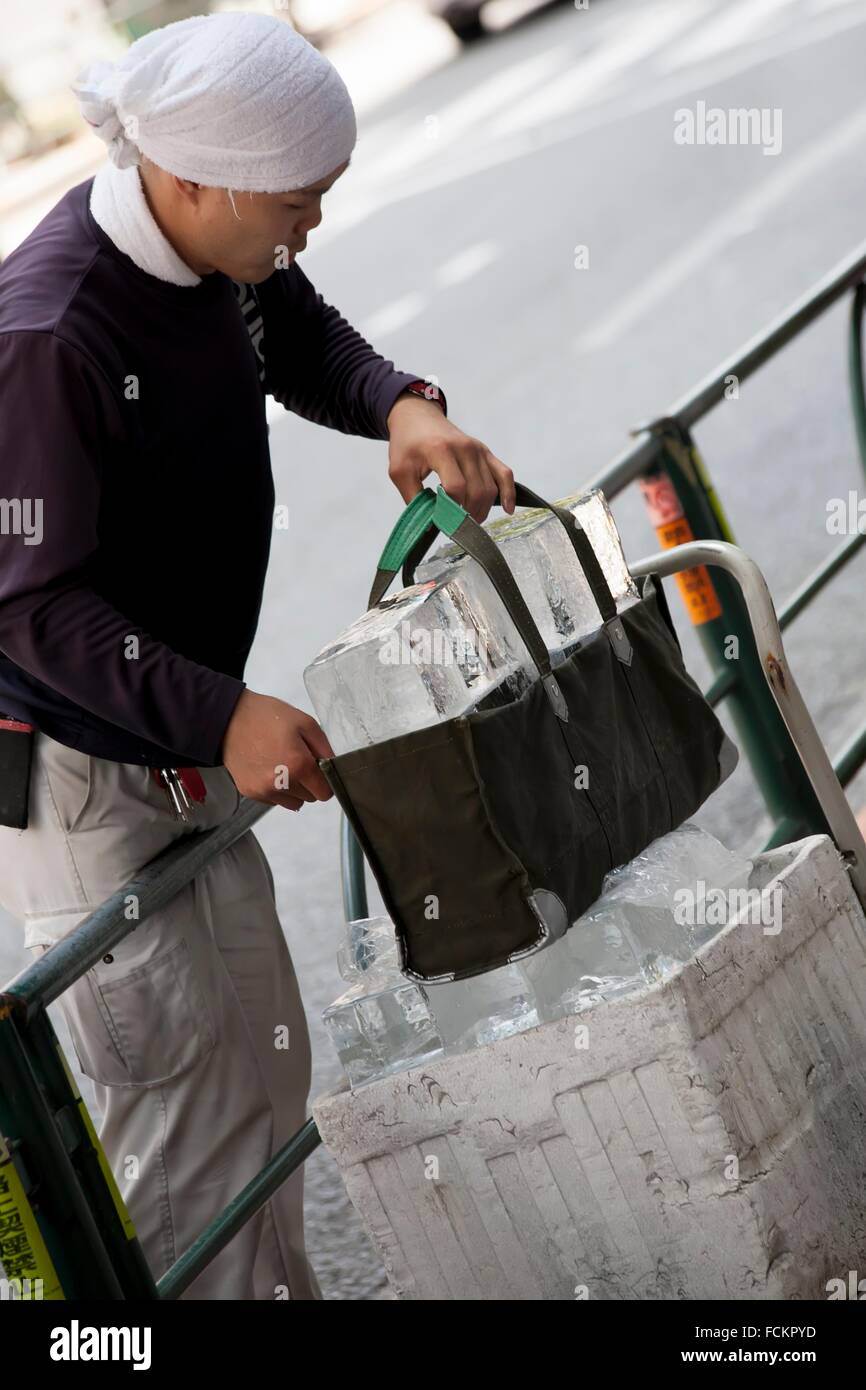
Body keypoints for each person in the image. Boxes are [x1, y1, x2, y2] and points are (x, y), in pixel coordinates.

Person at [0, 10, 514, 1299]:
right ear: (187, 178)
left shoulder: (210, 252)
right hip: (94, 771)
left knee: (264, 1091)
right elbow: (24, 604)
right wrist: (221, 711)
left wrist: (401, 401)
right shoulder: (50, 336)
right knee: (189, 1155)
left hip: (186, 740)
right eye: (296, 201)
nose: (312, 226)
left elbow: (298, 330)